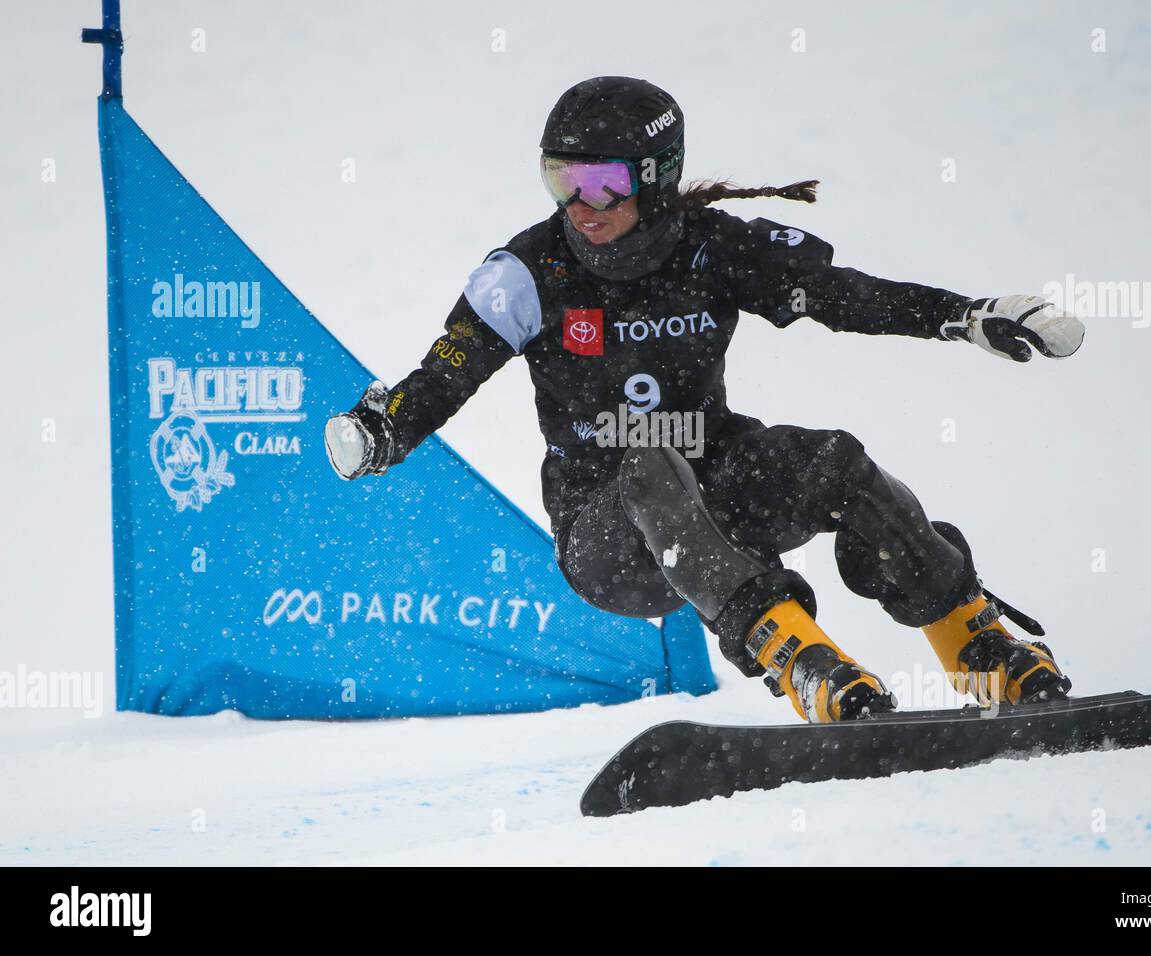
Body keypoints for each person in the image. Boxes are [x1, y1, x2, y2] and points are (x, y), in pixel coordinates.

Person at [325, 76, 1085, 723]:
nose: (580, 207)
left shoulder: (714, 247)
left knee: (837, 462)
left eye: (602, 184)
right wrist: (385, 431)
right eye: (562, 181)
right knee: (651, 464)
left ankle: (978, 649)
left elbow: (839, 295)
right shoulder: (530, 271)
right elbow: (449, 370)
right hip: (608, 532)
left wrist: (961, 315)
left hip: (723, 485)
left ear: (656, 177)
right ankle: (804, 662)